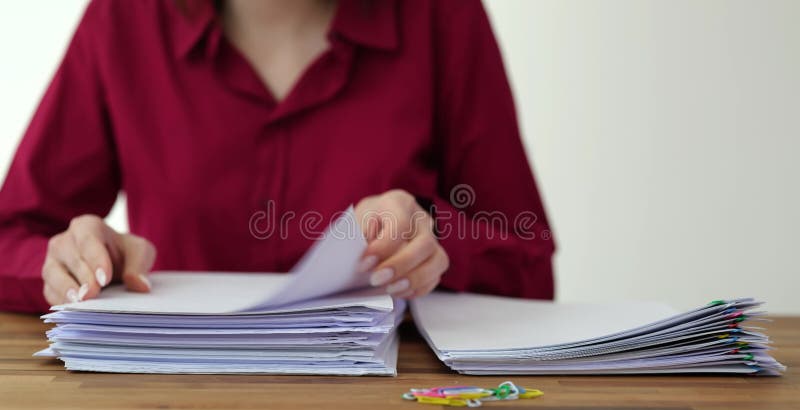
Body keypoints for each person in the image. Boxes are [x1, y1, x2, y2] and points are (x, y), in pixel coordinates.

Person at [0, 0, 554, 313]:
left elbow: (526, 261)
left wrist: (431, 234)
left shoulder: (443, 18)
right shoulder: (124, 20)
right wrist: (69, 260)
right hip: (173, 397)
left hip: (386, 399)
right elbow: (11, 237)